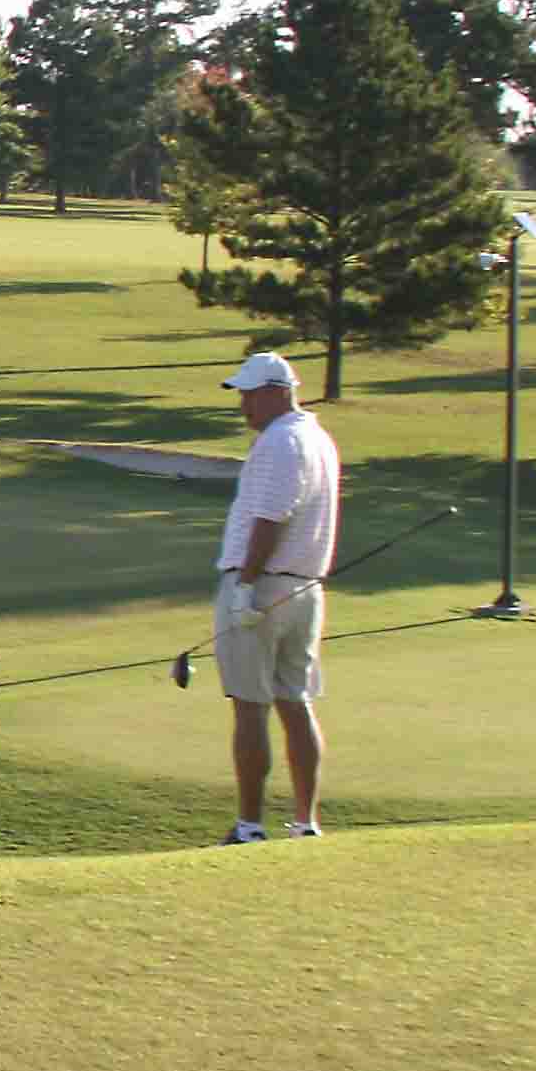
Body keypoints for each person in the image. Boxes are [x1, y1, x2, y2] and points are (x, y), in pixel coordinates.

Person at [212, 351, 340, 844]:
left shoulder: (281, 441)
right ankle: (306, 821)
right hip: (306, 589)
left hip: (261, 587)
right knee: (295, 699)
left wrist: (245, 585)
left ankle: (249, 826)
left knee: (251, 705)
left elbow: (270, 518)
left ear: (276, 391)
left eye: (249, 394)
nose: (243, 404)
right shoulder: (318, 438)